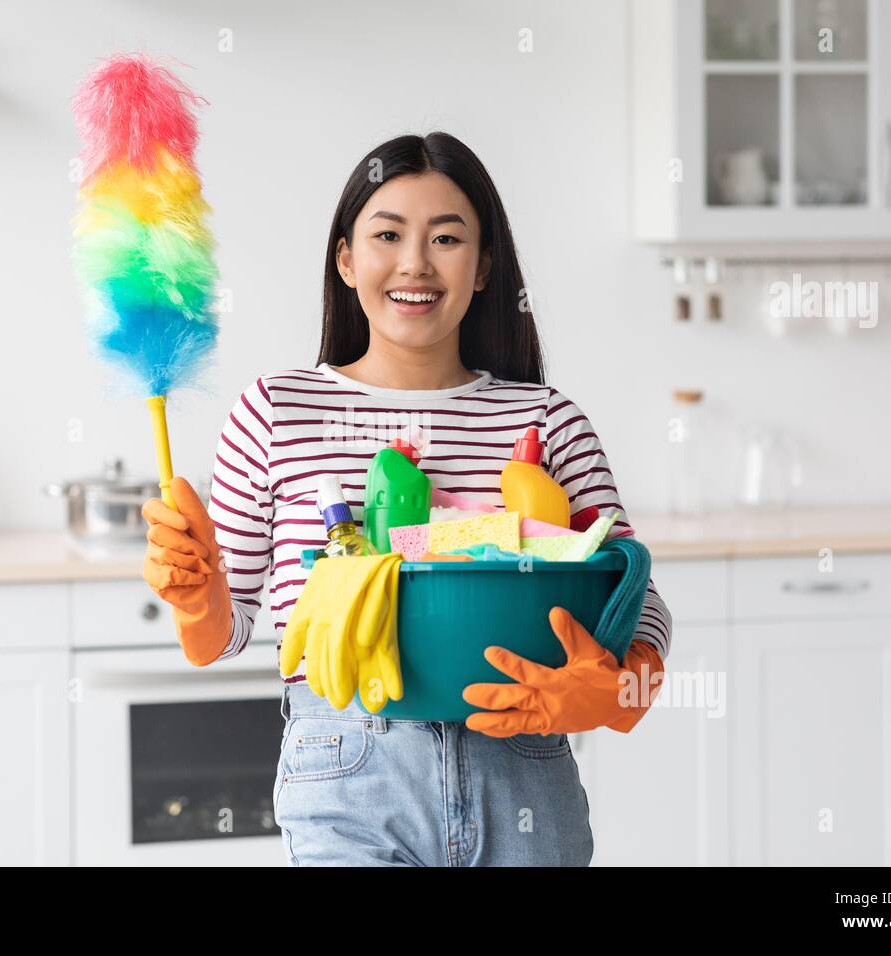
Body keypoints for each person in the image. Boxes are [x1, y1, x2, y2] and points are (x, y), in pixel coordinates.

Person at [142, 132, 671, 866]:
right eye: (388, 234)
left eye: (446, 238)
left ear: (484, 267)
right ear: (347, 259)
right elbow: (221, 639)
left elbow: (641, 608)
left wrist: (616, 693)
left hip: (521, 775)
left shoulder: (548, 421)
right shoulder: (276, 410)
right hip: (351, 776)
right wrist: (198, 595)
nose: (415, 262)